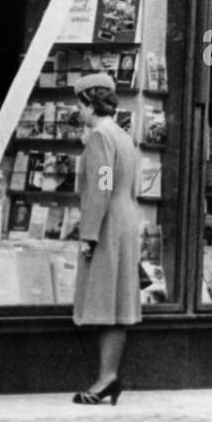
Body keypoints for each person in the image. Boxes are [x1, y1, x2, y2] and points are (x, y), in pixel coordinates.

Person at [72, 73, 141, 404]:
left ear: (90, 102)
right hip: (124, 219)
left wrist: (88, 234)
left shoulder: (99, 137)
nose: (78, 112)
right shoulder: (123, 135)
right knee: (117, 304)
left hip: (107, 224)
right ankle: (108, 377)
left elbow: (100, 187)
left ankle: (106, 378)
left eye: (80, 104)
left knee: (105, 302)